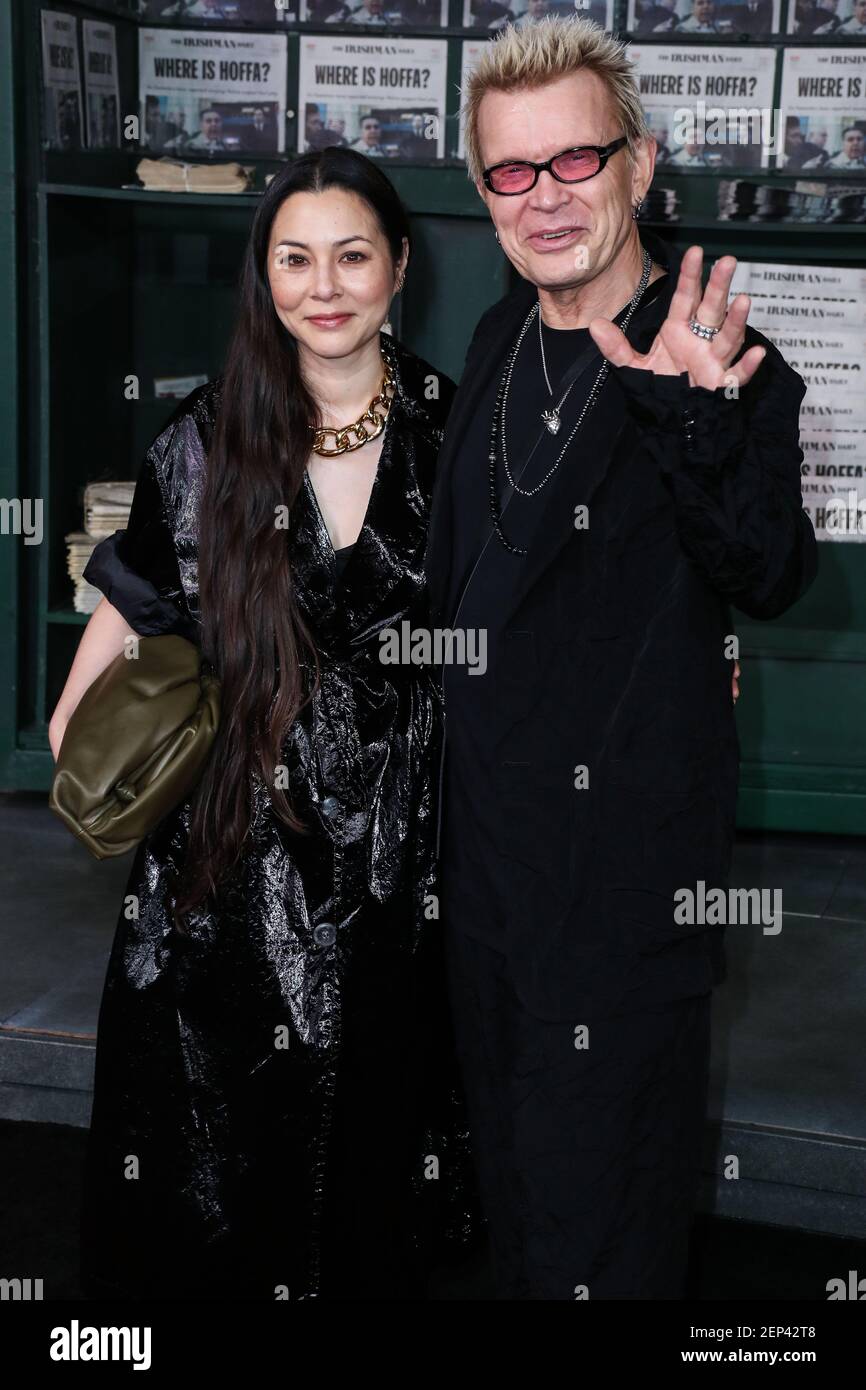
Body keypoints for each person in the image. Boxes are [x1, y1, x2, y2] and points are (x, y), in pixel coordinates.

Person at [424, 17, 817, 1300]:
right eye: (508, 172)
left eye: (575, 162)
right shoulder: (494, 343)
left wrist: (689, 413)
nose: (543, 200)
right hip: (480, 881)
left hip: (617, 907)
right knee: (516, 1213)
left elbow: (768, 573)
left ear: (642, 166)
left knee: (606, 1231)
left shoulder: (722, 360)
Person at [50, 148, 480, 1301]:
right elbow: (89, 698)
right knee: (213, 1204)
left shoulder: (463, 436)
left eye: (352, 255)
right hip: (221, 911)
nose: (323, 285)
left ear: (397, 265)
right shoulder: (196, 446)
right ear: (264, 274)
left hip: (403, 897)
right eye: (294, 258)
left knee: (374, 1197)